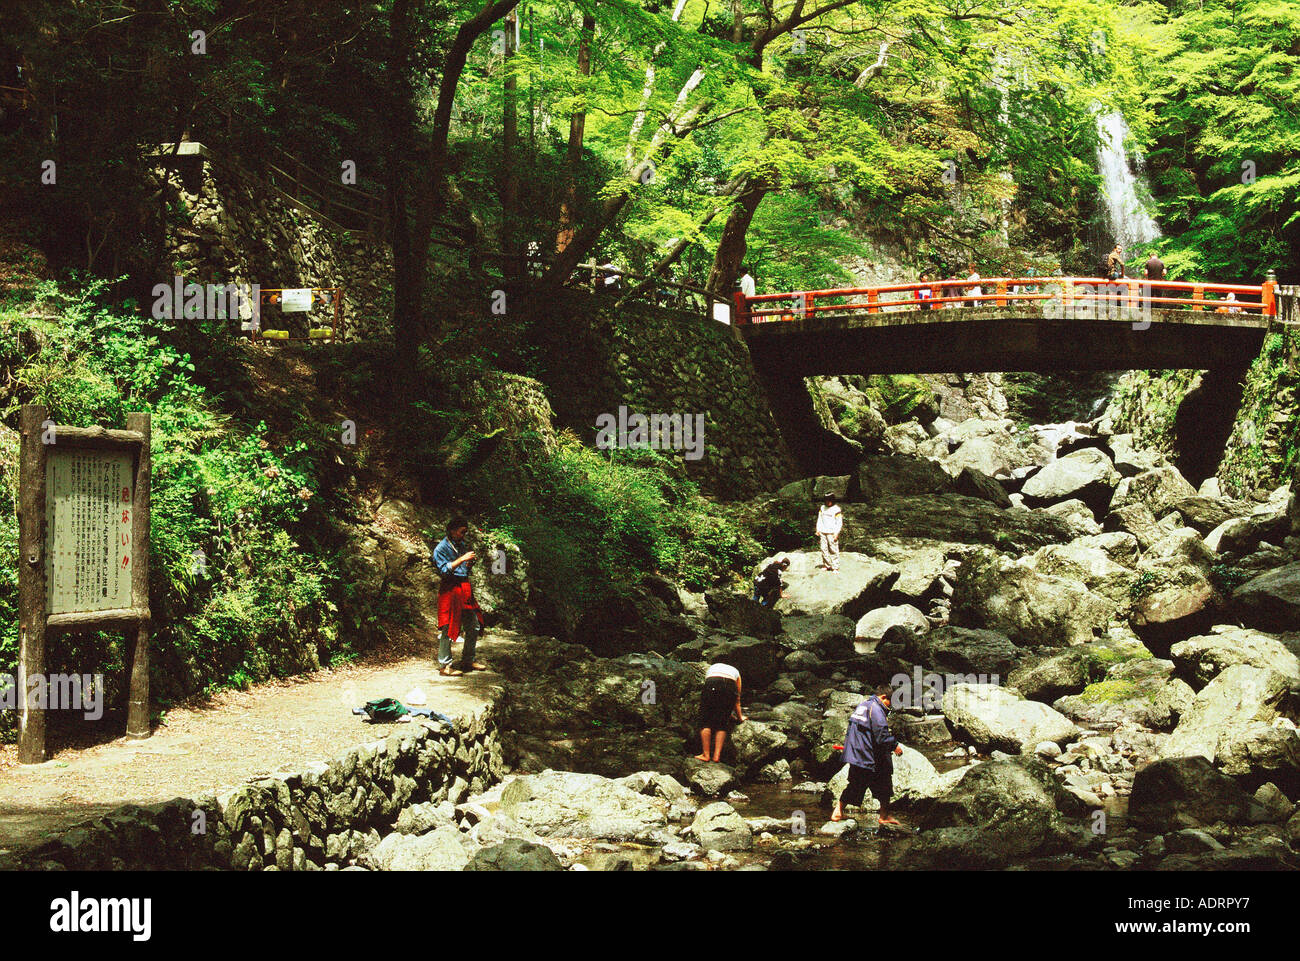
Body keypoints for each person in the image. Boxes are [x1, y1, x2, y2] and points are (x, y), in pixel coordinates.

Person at [831, 684, 904, 825]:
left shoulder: (863, 705)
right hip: (868, 755)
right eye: (890, 703)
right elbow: (881, 735)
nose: (891, 707)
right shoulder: (876, 710)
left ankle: (837, 812)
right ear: (883, 698)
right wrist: (895, 746)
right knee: (884, 783)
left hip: (857, 754)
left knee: (855, 785)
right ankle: (884, 817)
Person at [431, 516, 487, 677]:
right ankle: (445, 665)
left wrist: (468, 565)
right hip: (450, 588)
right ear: (452, 531)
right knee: (448, 626)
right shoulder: (441, 548)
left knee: (474, 625)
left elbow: (463, 569)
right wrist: (462, 559)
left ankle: (468, 659)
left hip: (464, 587)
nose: (463, 535)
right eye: (462, 532)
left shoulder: (460, 545)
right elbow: (444, 570)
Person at [696, 662, 744, 762]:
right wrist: (740, 718)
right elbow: (737, 701)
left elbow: (712, 697)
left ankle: (706, 754)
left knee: (706, 721)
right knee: (722, 723)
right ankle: (717, 756)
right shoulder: (736, 673)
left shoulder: (712, 668)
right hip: (730, 687)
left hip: (713, 683)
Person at [816, 493, 843, 573]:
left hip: (832, 532)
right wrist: (818, 529)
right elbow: (819, 519)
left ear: (833, 500)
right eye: (826, 501)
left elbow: (839, 523)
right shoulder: (822, 508)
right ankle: (827, 565)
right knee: (823, 549)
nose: (828, 502)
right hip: (823, 531)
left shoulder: (836, 509)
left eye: (829, 501)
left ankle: (835, 567)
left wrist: (836, 533)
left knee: (833, 549)